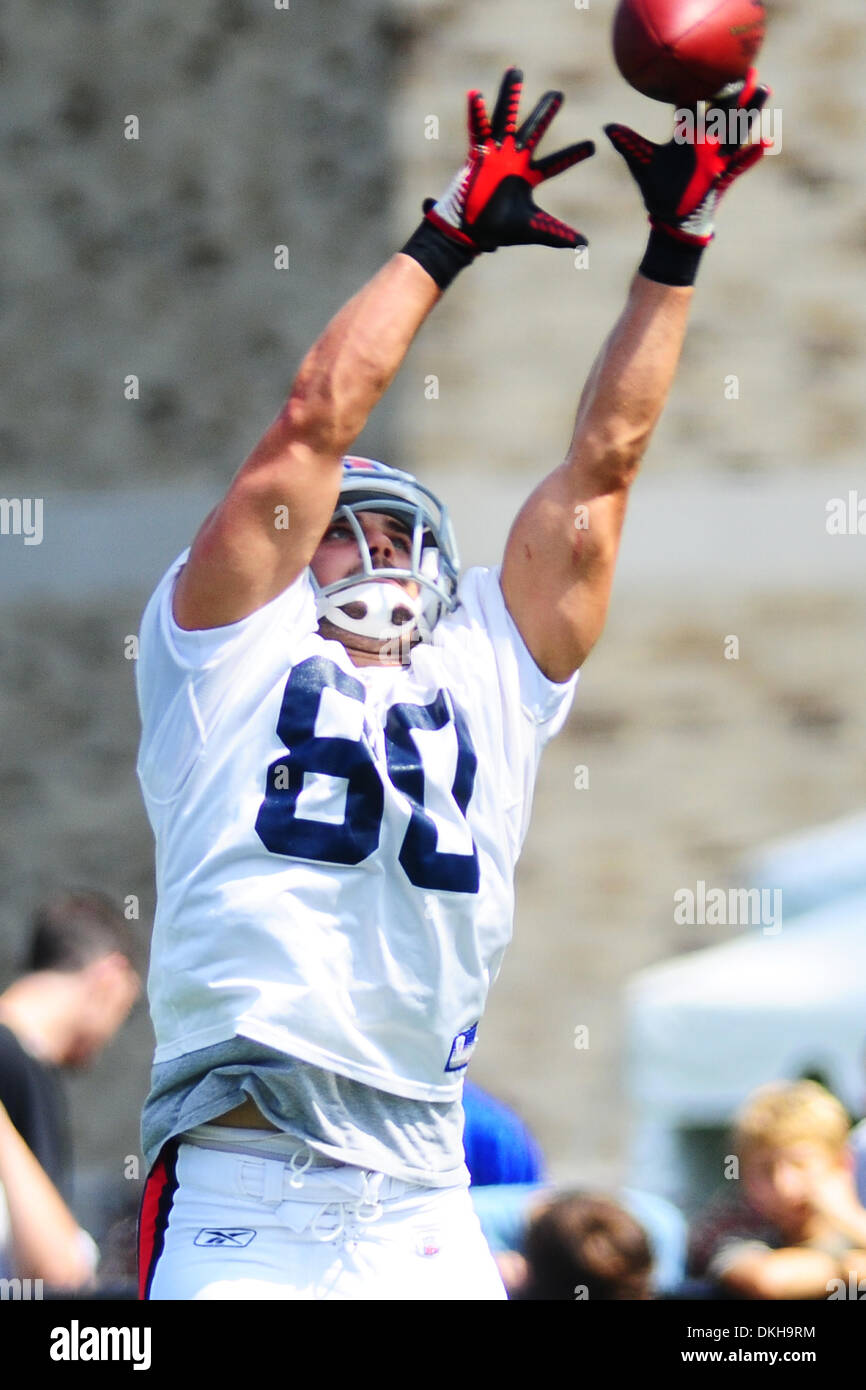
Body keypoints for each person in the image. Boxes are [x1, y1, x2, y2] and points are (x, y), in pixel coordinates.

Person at [135, 66, 770, 1301]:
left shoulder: (485, 665)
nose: (372, 551)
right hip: (243, 1186)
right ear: (283, 550)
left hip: (425, 1193)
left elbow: (602, 470)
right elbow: (312, 420)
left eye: (392, 533)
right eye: (342, 531)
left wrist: (675, 248)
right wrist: (445, 235)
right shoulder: (226, 650)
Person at [0, 890, 141, 1198]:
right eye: (126, 1010)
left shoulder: (28, 1066)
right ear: (111, 979)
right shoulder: (12, 1061)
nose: (111, 1037)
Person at [688, 1080, 866, 1299]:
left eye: (800, 1165)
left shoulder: (853, 1225)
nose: (784, 1185)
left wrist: (851, 1219)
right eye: (765, 1170)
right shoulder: (732, 1223)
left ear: (841, 1164)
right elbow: (767, 1281)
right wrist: (848, 1270)